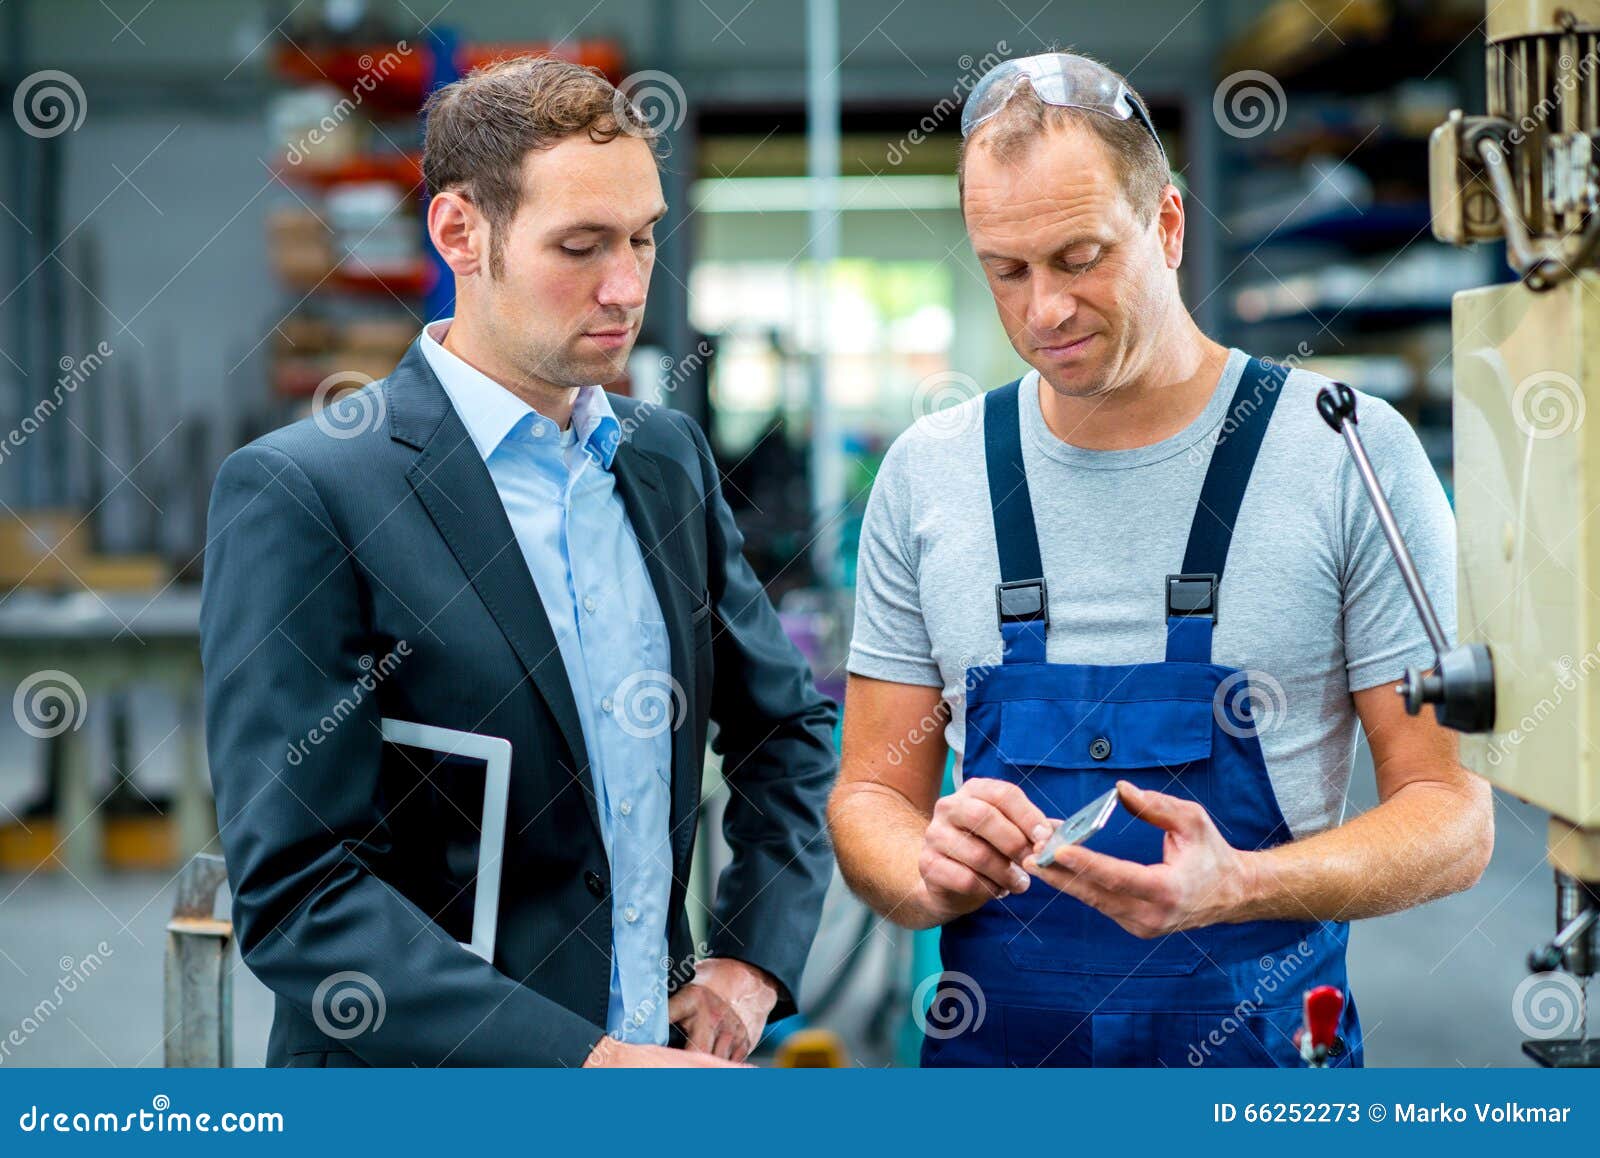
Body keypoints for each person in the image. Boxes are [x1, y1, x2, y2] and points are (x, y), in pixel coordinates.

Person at [827, 53, 1492, 1067]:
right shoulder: (930, 475)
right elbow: (870, 799)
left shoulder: (1343, 448)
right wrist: (929, 870)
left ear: (1167, 226)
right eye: (1006, 270)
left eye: (1080, 256)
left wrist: (1242, 884)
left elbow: (1450, 815)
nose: (1043, 310)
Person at [200, 56, 837, 1068]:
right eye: (579, 246)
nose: (626, 287)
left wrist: (749, 962)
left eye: (642, 238)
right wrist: (579, 1065)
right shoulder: (308, 494)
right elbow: (301, 893)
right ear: (461, 233)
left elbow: (787, 729)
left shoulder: (661, 458)